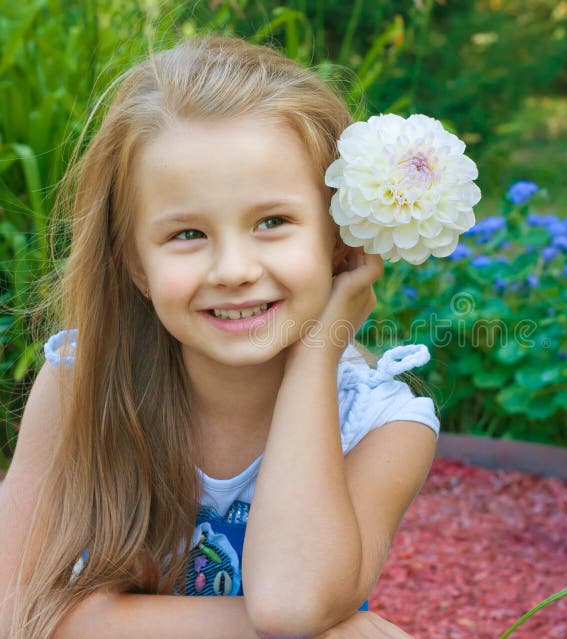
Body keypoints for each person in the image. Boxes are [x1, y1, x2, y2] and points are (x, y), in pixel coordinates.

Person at [0, 36, 440, 639]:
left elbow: (291, 604)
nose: (233, 269)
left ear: (342, 241)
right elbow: (12, 610)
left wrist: (320, 352)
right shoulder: (82, 384)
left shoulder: (382, 425)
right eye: (187, 233)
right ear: (135, 266)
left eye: (272, 222)